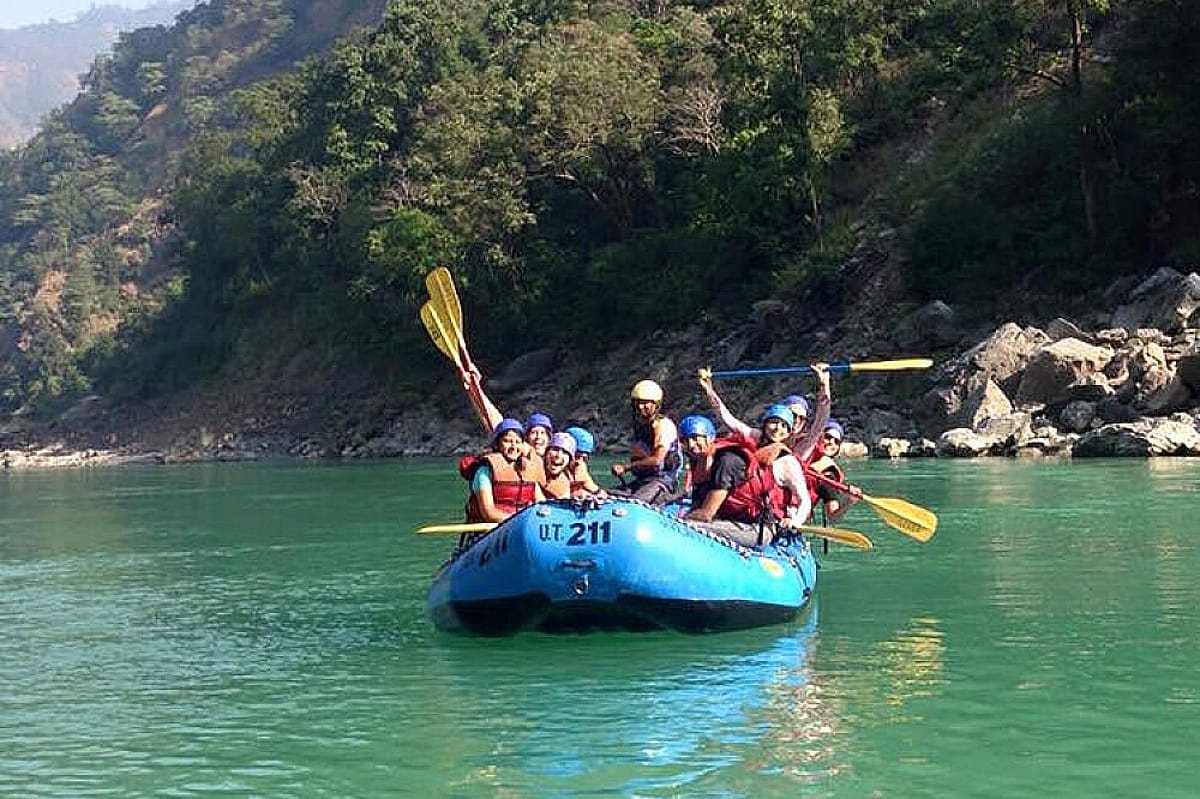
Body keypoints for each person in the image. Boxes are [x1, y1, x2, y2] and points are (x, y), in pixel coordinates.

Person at [678, 414, 812, 548]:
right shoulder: (700, 463)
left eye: (696, 438)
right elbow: (698, 506)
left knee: (688, 527)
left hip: (757, 529)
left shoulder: (728, 461)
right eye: (685, 440)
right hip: (730, 520)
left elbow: (706, 514)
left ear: (710, 437)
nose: (690, 445)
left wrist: (795, 521)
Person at [697, 363, 832, 464]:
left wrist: (824, 385)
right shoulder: (758, 436)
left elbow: (820, 422)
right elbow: (728, 420)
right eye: (792, 415)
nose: (796, 420)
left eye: (801, 418)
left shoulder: (802, 446)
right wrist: (709, 389)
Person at [456, 418, 546, 556]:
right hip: (487, 534)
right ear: (497, 444)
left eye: (517, 442)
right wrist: (522, 521)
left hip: (520, 530)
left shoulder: (528, 469)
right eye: (507, 441)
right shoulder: (485, 471)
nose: (513, 446)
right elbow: (489, 512)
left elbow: (542, 504)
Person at [610, 379, 682, 504]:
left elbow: (656, 460)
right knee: (606, 495)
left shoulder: (663, 426)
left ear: (656, 404)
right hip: (642, 481)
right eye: (637, 402)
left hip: (662, 481)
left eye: (645, 403)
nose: (640, 406)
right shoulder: (642, 426)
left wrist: (626, 467)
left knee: (635, 503)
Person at [807, 419, 858, 524]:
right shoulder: (799, 451)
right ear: (819, 436)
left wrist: (849, 501)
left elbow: (833, 517)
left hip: (792, 523)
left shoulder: (828, 475)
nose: (831, 443)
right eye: (828, 437)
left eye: (836, 441)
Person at [564, 426, 606, 498]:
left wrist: (587, 483)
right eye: (576, 456)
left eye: (584, 458)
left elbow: (599, 493)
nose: (579, 462)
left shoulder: (581, 467)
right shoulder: (554, 470)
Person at [541, 431, 577, 499]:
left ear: (569, 461)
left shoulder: (565, 484)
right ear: (546, 454)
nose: (558, 455)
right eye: (555, 449)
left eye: (565, 452)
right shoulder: (534, 471)